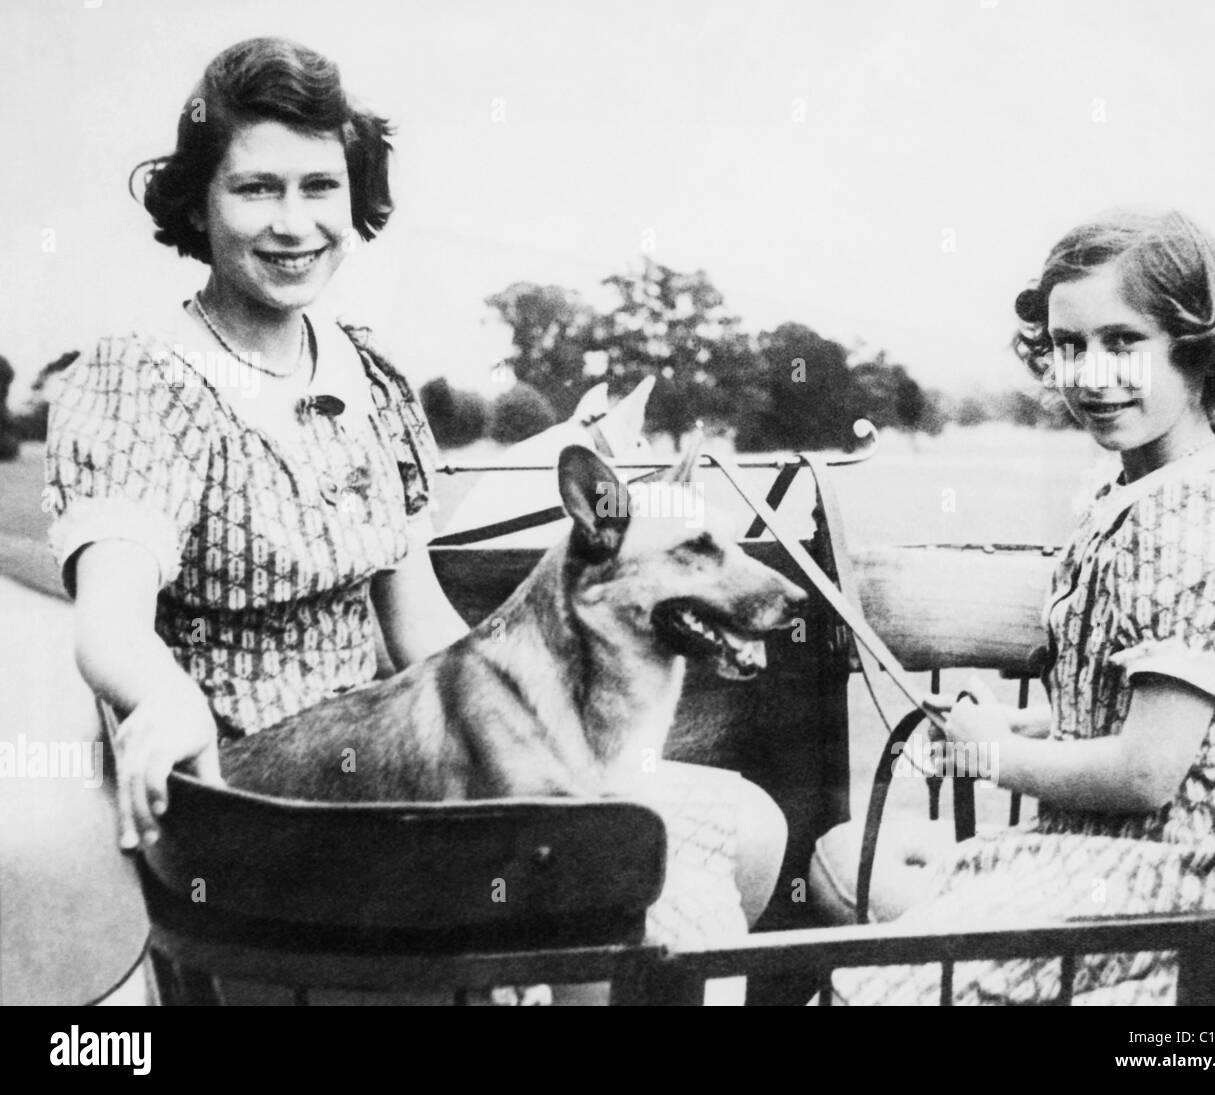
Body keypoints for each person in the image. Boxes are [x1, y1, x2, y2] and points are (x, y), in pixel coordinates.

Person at [43, 37, 785, 1000]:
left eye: (320, 187)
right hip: (263, 808)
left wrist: (548, 726)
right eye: (256, 189)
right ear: (196, 202)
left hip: (407, 773)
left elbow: (421, 622)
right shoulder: (141, 378)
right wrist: (164, 695)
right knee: (627, 893)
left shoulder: (370, 375)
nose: (294, 223)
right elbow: (110, 616)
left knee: (748, 832)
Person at [833, 208, 1215, 1005]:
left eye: (1124, 342)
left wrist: (990, 756)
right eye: (1068, 345)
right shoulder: (1134, 490)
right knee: (850, 892)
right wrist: (1029, 727)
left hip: (1182, 884)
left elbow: (1149, 773)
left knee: (875, 993)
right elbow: (1150, 714)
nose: (1090, 373)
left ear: (1195, 349)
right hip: (1105, 856)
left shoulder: (1194, 519)